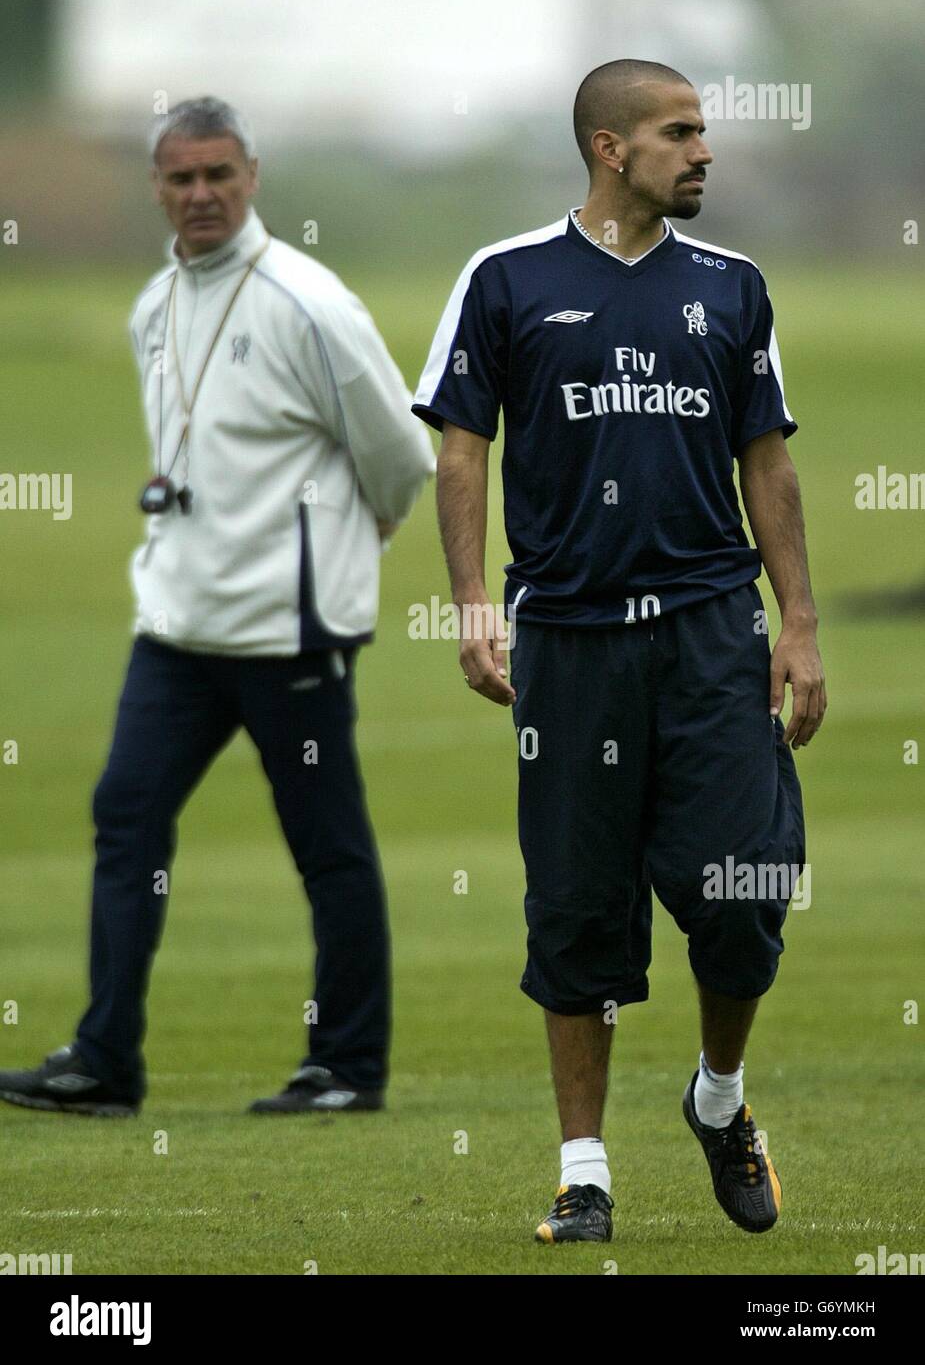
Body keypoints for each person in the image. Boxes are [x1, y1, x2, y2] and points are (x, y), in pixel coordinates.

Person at [412, 60, 825, 1242]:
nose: (703, 151)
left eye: (704, 131)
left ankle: (718, 1098)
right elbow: (459, 449)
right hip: (571, 641)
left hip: (710, 637)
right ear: (609, 147)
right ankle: (582, 1174)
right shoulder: (505, 281)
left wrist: (795, 624)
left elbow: (768, 460)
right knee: (579, 912)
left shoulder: (732, 288)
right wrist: (468, 603)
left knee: (746, 893)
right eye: (679, 132)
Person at [0, 96, 435, 1119]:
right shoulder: (155, 302)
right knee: (124, 815)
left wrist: (348, 541)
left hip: (289, 628)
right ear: (156, 184)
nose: (200, 194)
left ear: (252, 176)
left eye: (218, 175)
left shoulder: (310, 303)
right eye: (180, 177)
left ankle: (346, 1067)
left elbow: (401, 456)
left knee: (326, 844)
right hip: (178, 625)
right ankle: (104, 1061)